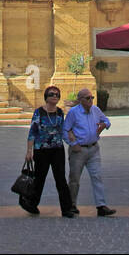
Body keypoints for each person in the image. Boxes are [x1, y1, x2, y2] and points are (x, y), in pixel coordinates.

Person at [23, 85, 75, 217]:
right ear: (46, 97)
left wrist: (73, 140)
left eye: (57, 94)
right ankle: (32, 204)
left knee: (60, 179)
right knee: (39, 178)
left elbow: (63, 130)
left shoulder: (59, 112)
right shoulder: (38, 112)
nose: (55, 96)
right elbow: (32, 132)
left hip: (57, 149)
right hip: (41, 150)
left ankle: (66, 208)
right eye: (52, 94)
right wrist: (29, 151)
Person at [63, 88, 115, 216]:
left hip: (93, 148)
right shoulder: (74, 113)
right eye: (87, 98)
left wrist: (103, 126)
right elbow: (65, 130)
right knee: (74, 179)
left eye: (91, 97)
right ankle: (72, 204)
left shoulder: (95, 110)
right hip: (78, 150)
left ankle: (101, 206)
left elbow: (106, 121)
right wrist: (73, 144)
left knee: (97, 176)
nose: (91, 100)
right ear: (80, 100)